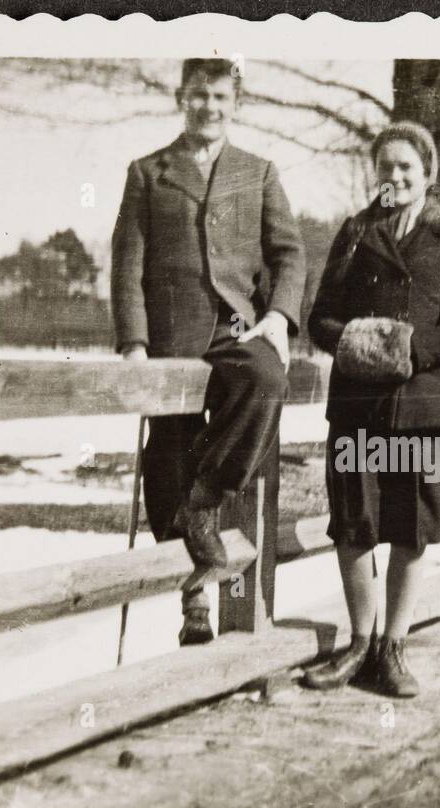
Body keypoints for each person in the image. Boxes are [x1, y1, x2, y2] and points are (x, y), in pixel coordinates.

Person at [111, 58, 305, 646]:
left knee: (267, 383)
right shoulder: (148, 172)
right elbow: (127, 267)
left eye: (221, 97)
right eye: (199, 96)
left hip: (237, 329)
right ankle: (192, 601)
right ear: (181, 98)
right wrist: (135, 346)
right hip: (171, 337)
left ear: (236, 103)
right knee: (168, 451)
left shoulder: (259, 171)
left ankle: (207, 499)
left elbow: (290, 254)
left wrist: (277, 317)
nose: (210, 107)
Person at [303, 121, 440, 697]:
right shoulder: (355, 233)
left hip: (423, 408)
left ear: (428, 174)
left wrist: (407, 350)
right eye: (386, 168)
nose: (396, 177)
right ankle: (358, 645)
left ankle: (394, 649)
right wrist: (357, 341)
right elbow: (320, 317)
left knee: (412, 528)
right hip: (359, 406)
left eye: (407, 167)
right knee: (355, 523)